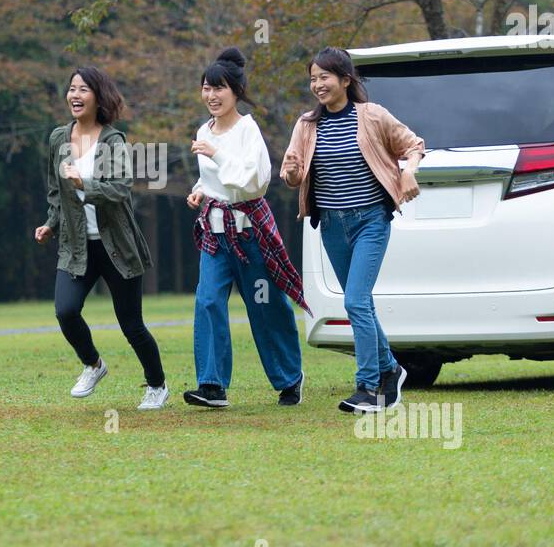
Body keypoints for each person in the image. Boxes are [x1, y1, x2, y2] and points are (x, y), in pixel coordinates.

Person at [280, 47, 425, 413]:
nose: (317, 84)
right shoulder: (306, 125)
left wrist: (408, 172)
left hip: (370, 221)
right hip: (331, 225)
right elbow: (291, 174)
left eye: (324, 77)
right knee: (360, 303)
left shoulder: (372, 115)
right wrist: (293, 173)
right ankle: (391, 369)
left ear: (345, 80)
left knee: (355, 301)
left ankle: (368, 386)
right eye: (313, 79)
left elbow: (414, 146)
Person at [34, 67, 169, 410]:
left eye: (83, 89)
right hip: (77, 246)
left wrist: (85, 184)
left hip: (116, 246)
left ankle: (157, 385)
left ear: (98, 97)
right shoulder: (58, 139)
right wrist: (50, 224)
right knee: (65, 311)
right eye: (72, 89)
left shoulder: (112, 141)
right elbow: (56, 192)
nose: (75, 95)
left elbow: (121, 188)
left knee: (132, 326)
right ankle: (93, 365)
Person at [185, 48, 309, 409]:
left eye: (219, 88)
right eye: (207, 88)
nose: (211, 95)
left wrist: (216, 154)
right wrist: (199, 190)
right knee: (208, 300)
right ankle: (212, 386)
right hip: (215, 234)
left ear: (236, 91)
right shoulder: (203, 130)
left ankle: (289, 378)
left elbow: (254, 182)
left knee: (265, 303)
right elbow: (213, 179)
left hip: (250, 233)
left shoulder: (247, 129)